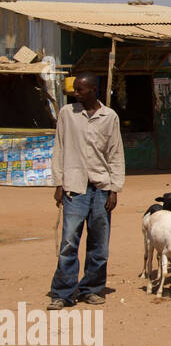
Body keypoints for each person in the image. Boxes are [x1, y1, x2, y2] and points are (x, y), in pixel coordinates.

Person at [48, 74, 124, 310]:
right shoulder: (67, 114)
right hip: (74, 187)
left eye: (80, 90)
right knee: (69, 243)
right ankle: (62, 293)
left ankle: (91, 289)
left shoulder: (109, 117)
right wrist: (59, 183)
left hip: (101, 188)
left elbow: (115, 154)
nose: (76, 93)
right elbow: (59, 147)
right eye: (76, 90)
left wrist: (114, 189)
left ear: (93, 90)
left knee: (99, 245)